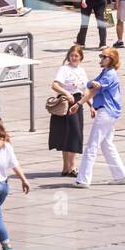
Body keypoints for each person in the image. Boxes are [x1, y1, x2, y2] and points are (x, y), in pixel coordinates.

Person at [72, 47, 125, 188]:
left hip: (106, 112)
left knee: (92, 145)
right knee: (107, 144)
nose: (101, 59)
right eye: (101, 56)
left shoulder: (110, 74)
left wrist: (80, 102)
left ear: (111, 60)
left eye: (104, 57)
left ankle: (83, 179)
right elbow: (90, 85)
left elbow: (94, 88)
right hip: (110, 113)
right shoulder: (105, 72)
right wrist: (80, 103)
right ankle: (121, 175)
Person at [0, 116, 31, 249]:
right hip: (3, 186)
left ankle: (7, 246)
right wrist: (24, 180)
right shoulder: (7, 145)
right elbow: (14, 164)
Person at [49, 44, 90, 177]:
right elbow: (55, 85)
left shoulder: (82, 71)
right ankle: (70, 167)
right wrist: (66, 93)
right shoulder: (64, 69)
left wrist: (91, 106)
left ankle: (67, 167)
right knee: (70, 134)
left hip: (78, 103)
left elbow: (85, 91)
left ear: (81, 57)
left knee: (74, 134)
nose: (74, 58)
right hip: (67, 103)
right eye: (72, 56)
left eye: (76, 56)